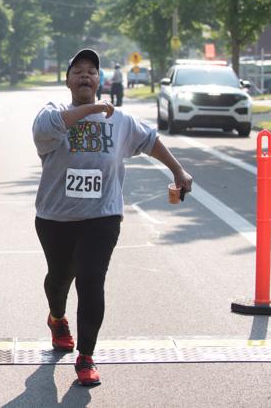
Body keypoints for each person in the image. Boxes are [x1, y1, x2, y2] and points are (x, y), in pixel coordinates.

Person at [32, 48, 192, 386]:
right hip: (55, 217)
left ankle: (86, 356)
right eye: (78, 71)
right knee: (60, 278)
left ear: (100, 80)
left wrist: (178, 169)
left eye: (92, 71)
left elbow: (150, 140)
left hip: (102, 217)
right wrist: (92, 109)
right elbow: (47, 128)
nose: (85, 76)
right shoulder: (52, 112)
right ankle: (57, 318)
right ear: (67, 81)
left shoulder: (120, 120)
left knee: (91, 281)